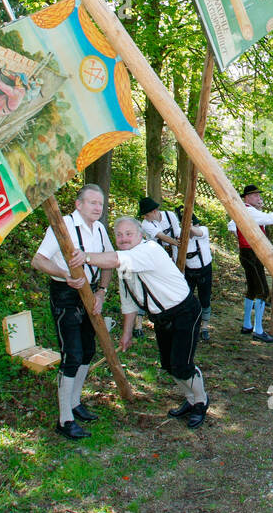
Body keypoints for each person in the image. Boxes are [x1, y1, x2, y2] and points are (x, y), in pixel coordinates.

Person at [72, 217, 209, 428]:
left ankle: (200, 402)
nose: (124, 238)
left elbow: (116, 260)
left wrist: (86, 257)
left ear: (140, 235)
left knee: (182, 365)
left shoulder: (149, 250)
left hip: (184, 312)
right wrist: (126, 334)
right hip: (162, 317)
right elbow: (129, 300)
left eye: (129, 234)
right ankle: (190, 400)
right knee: (169, 365)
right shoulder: (125, 261)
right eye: (119, 235)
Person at [30, 184, 113, 439]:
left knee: (88, 350)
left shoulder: (99, 228)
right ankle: (64, 419)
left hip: (90, 297)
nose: (98, 208)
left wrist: (101, 291)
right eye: (92, 203)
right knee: (73, 354)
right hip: (66, 295)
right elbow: (38, 260)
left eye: (100, 203)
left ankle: (75, 403)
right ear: (79, 204)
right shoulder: (62, 226)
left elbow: (109, 261)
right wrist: (64, 274)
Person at [227, 185, 273, 343]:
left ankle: (247, 324)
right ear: (246, 198)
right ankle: (258, 330)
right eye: (255, 196)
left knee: (252, 289)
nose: (258, 198)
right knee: (262, 291)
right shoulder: (248, 210)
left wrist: (240, 236)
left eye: (258, 195)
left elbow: (231, 225)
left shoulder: (246, 210)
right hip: (251, 253)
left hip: (249, 252)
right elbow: (272, 219)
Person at [175, 204, 214, 341]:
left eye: (191, 223)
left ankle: (204, 327)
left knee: (205, 299)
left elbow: (198, 232)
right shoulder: (180, 236)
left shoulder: (202, 230)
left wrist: (188, 225)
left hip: (204, 271)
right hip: (189, 272)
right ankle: (190, 326)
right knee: (187, 300)